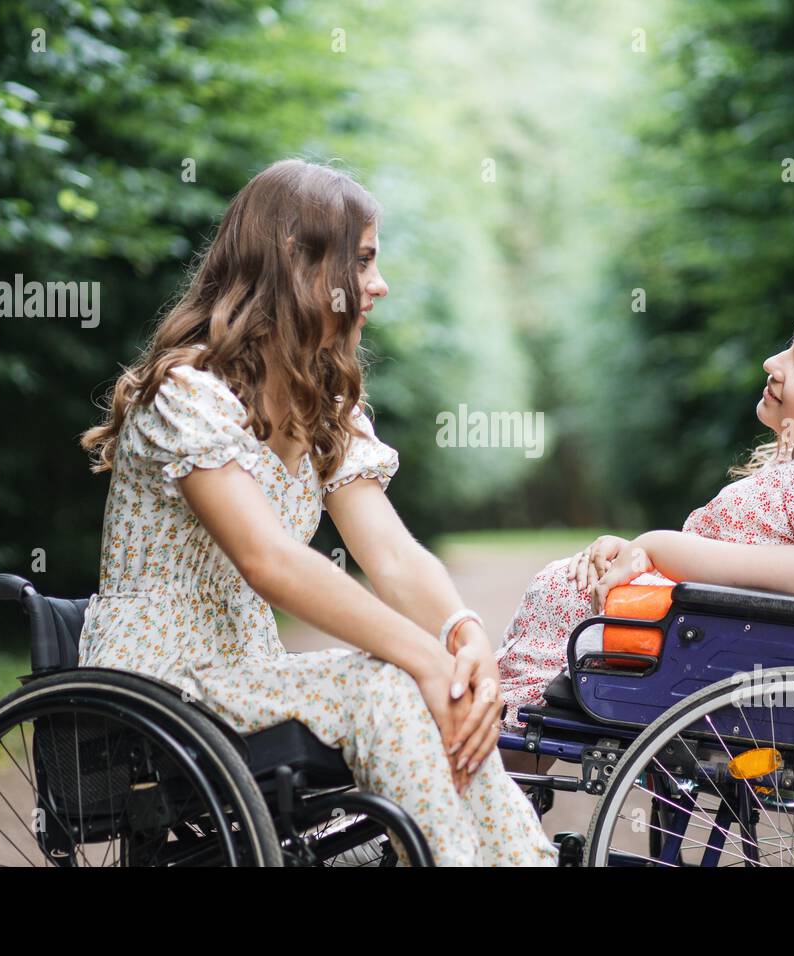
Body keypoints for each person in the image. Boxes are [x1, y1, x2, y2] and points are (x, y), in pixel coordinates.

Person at [77, 158, 556, 866]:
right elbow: (267, 560)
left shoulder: (324, 401)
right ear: (300, 265)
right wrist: (421, 658)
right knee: (389, 682)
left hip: (244, 674)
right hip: (160, 682)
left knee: (422, 680)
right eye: (361, 262)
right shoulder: (187, 395)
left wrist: (460, 636)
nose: (379, 285)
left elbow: (388, 553)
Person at [497, 274, 794, 760]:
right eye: (790, 348)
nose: (772, 363)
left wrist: (658, 546)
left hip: (684, 649)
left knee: (485, 731)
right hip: (649, 634)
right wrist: (634, 554)